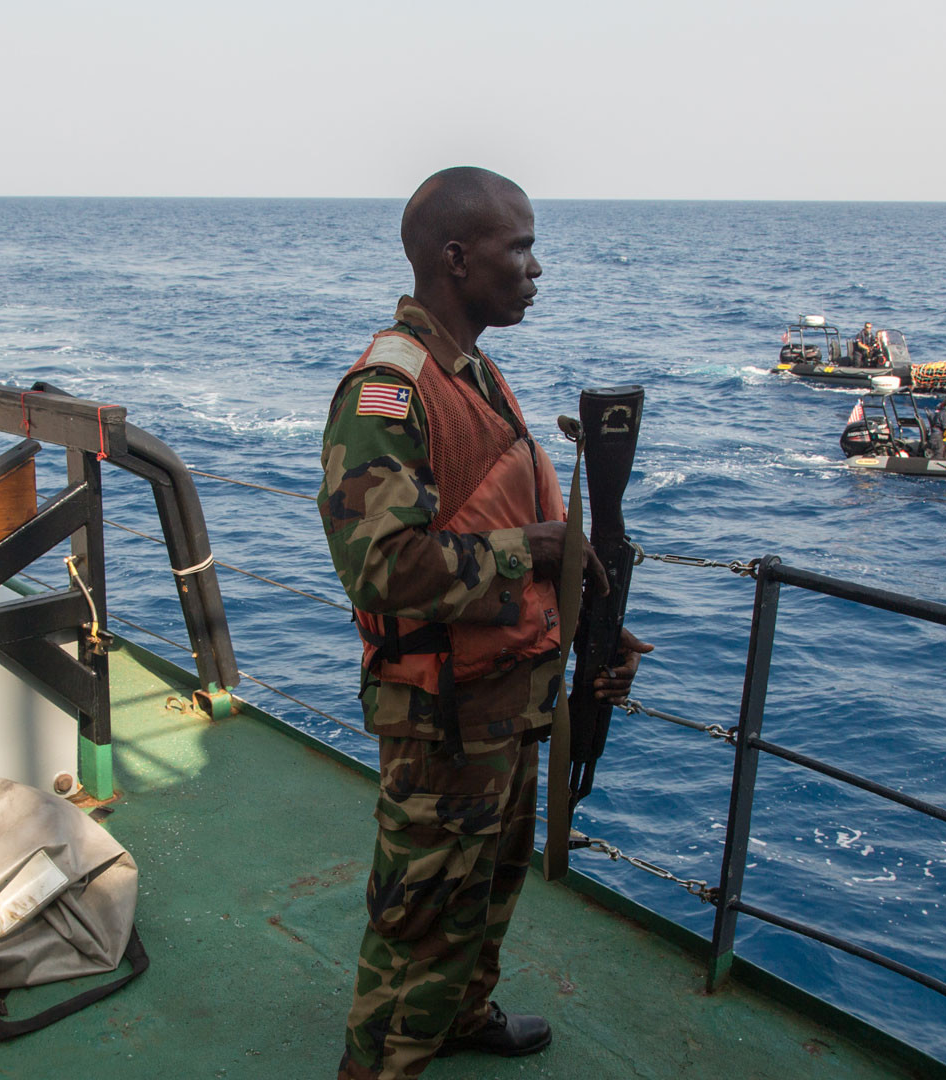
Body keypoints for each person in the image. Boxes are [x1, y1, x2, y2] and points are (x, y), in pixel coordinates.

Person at [317, 167, 651, 1080]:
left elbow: (493, 524)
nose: (536, 269)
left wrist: (588, 628)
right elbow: (380, 567)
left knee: (491, 887)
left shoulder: (478, 375)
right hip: (441, 717)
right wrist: (533, 550)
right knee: (418, 916)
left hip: (505, 703)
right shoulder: (389, 391)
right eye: (521, 247)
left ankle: (461, 1014)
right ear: (457, 259)